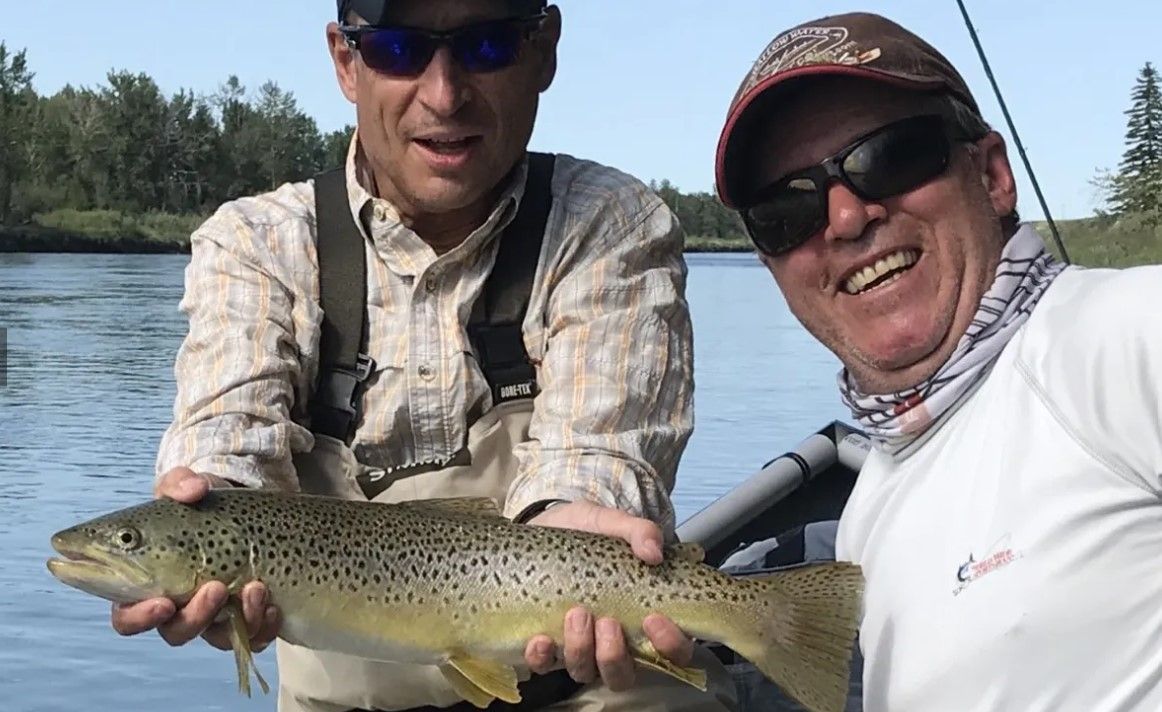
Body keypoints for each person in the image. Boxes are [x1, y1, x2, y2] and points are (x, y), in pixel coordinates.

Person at [106, 1, 738, 711]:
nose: (444, 94)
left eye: (488, 45)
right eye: (400, 50)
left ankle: (770, 619)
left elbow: (598, 457)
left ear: (544, 51)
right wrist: (211, 484)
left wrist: (579, 511)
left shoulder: (608, 224)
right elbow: (229, 433)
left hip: (593, 683)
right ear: (347, 62)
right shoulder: (256, 244)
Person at [714, 10, 1162, 712]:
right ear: (773, 267)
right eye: (785, 210)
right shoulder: (875, 502)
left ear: (992, 176)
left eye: (889, 158)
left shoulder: (1124, 334)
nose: (845, 218)